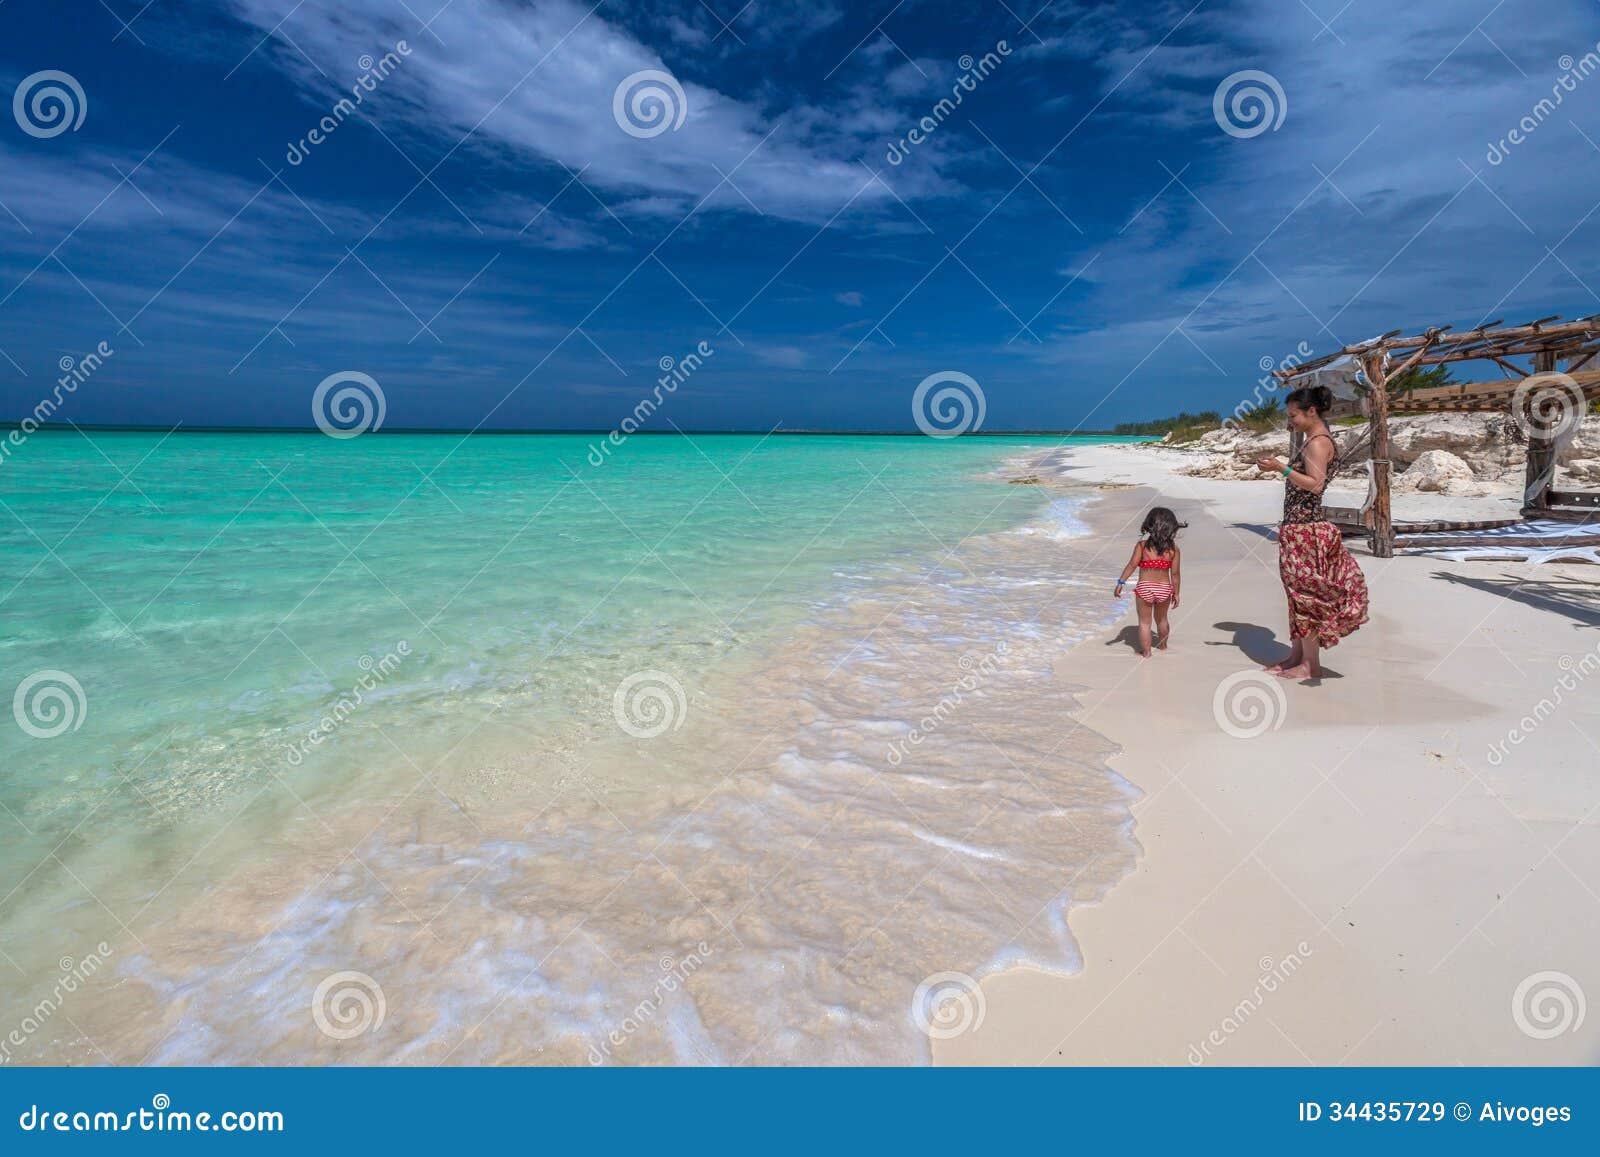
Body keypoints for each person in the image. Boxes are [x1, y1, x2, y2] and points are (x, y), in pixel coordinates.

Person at [1253, 383, 1370, 679]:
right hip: (1297, 527)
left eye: (1293, 415)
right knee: (1295, 594)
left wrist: (1281, 467)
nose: (1290, 421)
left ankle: (1310, 665)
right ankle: (1297, 655)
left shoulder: (1318, 442)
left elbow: (1315, 484)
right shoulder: (1311, 440)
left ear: (1311, 411)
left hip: (1307, 529)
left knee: (1306, 596)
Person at [1115, 506, 1184, 658]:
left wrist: (1121, 582)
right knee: (1162, 619)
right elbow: (1175, 574)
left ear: (1149, 525)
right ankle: (1164, 646)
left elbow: (1132, 565)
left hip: (1145, 588)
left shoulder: (1142, 546)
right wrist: (1176, 593)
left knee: (1145, 623)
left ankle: (1146, 652)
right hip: (1165, 588)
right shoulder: (1173, 549)